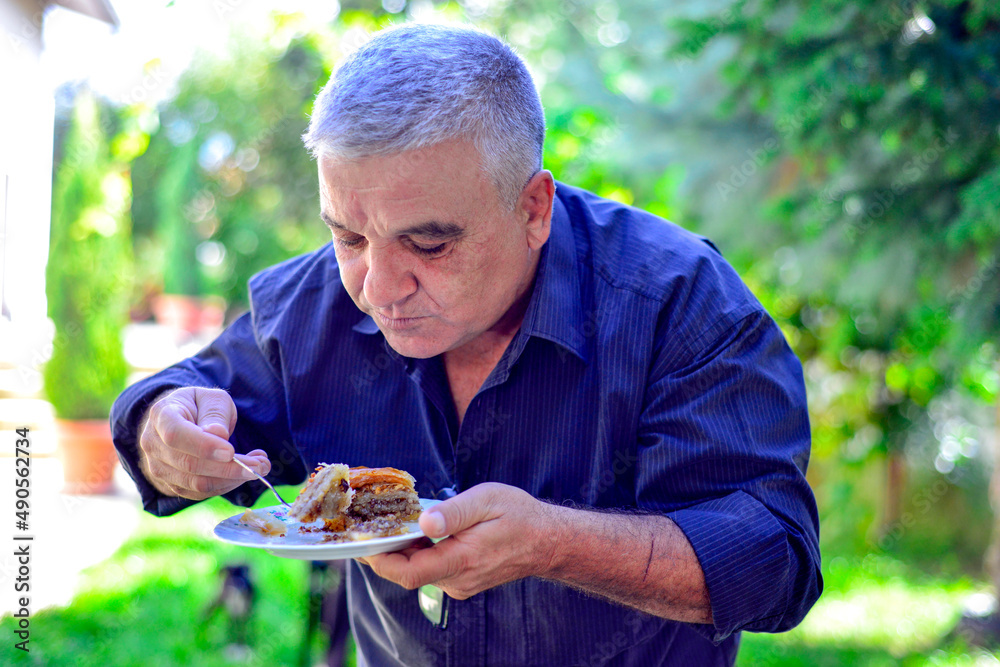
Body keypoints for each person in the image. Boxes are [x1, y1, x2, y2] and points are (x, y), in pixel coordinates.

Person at [111, 23, 821, 666]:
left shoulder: (678, 302)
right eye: (349, 235)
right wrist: (163, 428)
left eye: (428, 242)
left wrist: (555, 542)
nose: (380, 287)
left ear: (533, 208)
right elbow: (178, 400)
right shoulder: (317, 303)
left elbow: (775, 561)